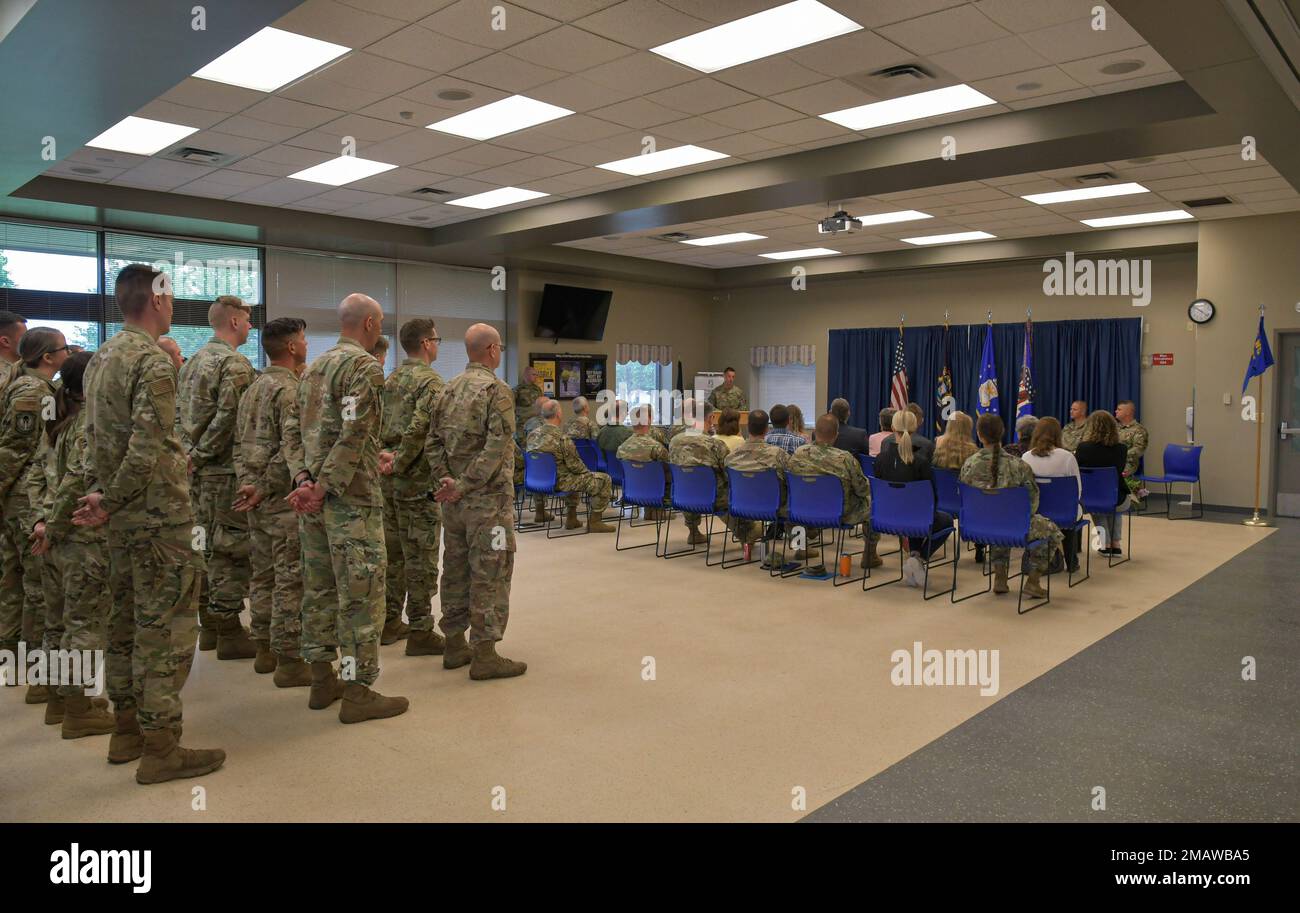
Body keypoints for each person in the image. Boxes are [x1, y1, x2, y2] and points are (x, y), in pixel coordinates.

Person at [74, 263, 224, 783]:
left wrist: (100, 498)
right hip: (158, 519)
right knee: (166, 630)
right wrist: (112, 498)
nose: (174, 303)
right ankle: (161, 747)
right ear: (157, 301)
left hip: (117, 521)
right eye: (171, 295)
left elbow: (92, 439)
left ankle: (126, 732)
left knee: (123, 625)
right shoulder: (154, 364)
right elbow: (145, 449)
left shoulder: (99, 360)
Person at [287, 293, 408, 722]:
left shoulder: (312, 368)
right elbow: (354, 433)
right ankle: (357, 690)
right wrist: (324, 486)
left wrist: (303, 480)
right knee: (361, 594)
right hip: (349, 501)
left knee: (319, 590)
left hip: (313, 501)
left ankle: (322, 680)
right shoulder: (364, 368)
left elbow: (295, 431)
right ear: (371, 324)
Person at [426, 323, 527, 679]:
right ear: (493, 350)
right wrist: (466, 484)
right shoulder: (496, 391)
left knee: (454, 569)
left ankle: (454, 644)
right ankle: (484, 653)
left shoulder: (446, 389)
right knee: (490, 572)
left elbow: (432, 442)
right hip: (488, 503)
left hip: (453, 503)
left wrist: (448, 482)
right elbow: (497, 448)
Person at [27, 351, 115, 735]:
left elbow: (35, 477)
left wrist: (40, 522)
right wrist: (57, 526)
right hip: (80, 539)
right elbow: (75, 482)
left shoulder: (59, 424)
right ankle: (78, 709)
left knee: (56, 622)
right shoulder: (86, 428)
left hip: (51, 538)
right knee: (84, 624)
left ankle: (57, 698)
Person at [232, 317, 313, 686]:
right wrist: (264, 485)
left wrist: (249, 483)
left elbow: (239, 442)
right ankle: (290, 658)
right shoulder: (291, 390)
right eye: (304, 339)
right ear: (293, 346)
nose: (307, 344)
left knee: (262, 576)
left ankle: (264, 646)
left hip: (255, 498)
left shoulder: (253, 387)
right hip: (281, 500)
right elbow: (290, 450)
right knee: (290, 580)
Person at [177, 295, 257, 660]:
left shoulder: (191, 361)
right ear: (235, 322)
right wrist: (202, 453)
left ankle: (209, 625)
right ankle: (227, 629)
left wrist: (187, 454)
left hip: (195, 474)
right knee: (231, 550)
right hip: (223, 472)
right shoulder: (235, 364)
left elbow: (176, 415)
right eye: (248, 320)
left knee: (205, 546)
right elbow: (229, 419)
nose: (251, 326)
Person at [0, 328, 68, 703]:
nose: (66, 354)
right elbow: (18, 447)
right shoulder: (33, 392)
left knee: (17, 582)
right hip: (26, 499)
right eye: (62, 349)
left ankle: (17, 660)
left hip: (19, 496)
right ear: (47, 357)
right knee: (38, 588)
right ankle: (39, 671)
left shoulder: (25, 385)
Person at [377, 318, 447, 655]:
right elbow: (421, 427)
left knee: (393, 553)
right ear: (426, 343)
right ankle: (420, 629)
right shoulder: (430, 381)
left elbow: (375, 419)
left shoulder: (390, 377)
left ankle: (389, 621)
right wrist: (400, 461)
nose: (437, 345)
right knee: (420, 556)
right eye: (436, 339)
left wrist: (384, 458)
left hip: (386, 476)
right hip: (415, 480)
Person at [959, 413, 1063, 597]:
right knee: (1052, 531)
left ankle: (1000, 577)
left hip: (976, 527)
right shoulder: (1019, 465)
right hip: (1010, 525)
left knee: (999, 521)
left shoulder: (968, 464)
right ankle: (1033, 581)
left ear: (979, 435)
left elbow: (962, 498)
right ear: (1003, 433)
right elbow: (1033, 501)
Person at [789, 413, 883, 570]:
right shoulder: (845, 458)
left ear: (814, 433)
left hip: (802, 509)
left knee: (789, 501)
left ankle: (801, 547)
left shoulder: (798, 453)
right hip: (839, 513)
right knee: (873, 505)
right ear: (836, 436)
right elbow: (862, 489)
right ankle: (869, 555)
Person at [875, 408, 952, 581]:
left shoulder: (880, 459)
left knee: (913, 512)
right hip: (916, 516)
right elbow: (932, 498)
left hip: (885, 516)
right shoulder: (921, 462)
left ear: (893, 428)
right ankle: (918, 559)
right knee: (945, 519)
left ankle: (915, 556)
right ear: (915, 427)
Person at [527, 398, 615, 532]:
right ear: (558, 414)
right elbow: (576, 466)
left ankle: (570, 518)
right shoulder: (562, 439)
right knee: (604, 479)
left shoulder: (532, 436)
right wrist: (588, 473)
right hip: (558, 482)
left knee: (570, 475)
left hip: (536, 481)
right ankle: (595, 522)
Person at [1020, 417, 1083, 573]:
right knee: (1073, 510)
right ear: (1058, 434)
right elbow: (1078, 491)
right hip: (1065, 513)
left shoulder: (1026, 457)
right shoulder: (1068, 457)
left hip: (1035, 512)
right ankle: (1072, 561)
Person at [725, 410, 791, 546]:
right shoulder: (778, 455)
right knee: (796, 497)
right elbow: (792, 477)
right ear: (767, 429)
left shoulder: (731, 458)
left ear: (747, 427)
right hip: (774, 506)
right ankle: (800, 548)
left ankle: (748, 532)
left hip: (740, 505)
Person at [668, 397, 729, 545]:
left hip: (682, 495)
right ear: (711, 418)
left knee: (690, 480)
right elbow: (729, 472)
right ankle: (746, 535)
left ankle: (693, 531)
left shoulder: (674, 441)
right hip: (713, 498)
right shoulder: (715, 444)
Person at [1076, 410, 1130, 556]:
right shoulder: (1121, 449)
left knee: (1097, 503)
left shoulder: (1083, 448)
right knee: (1112, 502)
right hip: (1116, 498)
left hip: (1091, 498)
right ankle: (1116, 544)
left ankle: (1104, 543)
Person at [934, 410, 983, 565]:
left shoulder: (937, 448)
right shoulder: (974, 451)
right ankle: (980, 546)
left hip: (941, 502)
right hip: (966, 503)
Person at [617, 406, 671, 519]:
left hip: (632, 490)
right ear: (649, 420)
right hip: (653, 490)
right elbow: (668, 467)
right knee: (669, 473)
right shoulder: (657, 448)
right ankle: (657, 510)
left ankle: (649, 510)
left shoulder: (622, 448)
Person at [1115, 399, 1148, 494]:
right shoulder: (1114, 428)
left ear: (1128, 412)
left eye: (1119, 409)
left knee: (1118, 471)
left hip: (1129, 463)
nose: (1116, 411)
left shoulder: (1139, 430)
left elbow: (1139, 450)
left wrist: (1120, 455)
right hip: (1114, 461)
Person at [0, 310, 28, 396]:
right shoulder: (5, 377)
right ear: (5, 341)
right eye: (25, 337)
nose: (30, 341)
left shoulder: (25, 367)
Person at [514, 365, 543, 430]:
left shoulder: (537, 389)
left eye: (536, 375)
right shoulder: (517, 390)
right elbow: (512, 407)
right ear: (526, 375)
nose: (536, 377)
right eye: (533, 374)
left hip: (535, 423)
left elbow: (541, 404)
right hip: (522, 424)